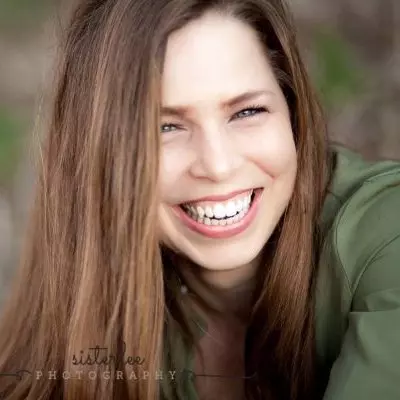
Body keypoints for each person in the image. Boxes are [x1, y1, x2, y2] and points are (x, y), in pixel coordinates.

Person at [0, 0, 399, 399]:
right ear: (101, 154)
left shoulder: (387, 232)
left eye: (246, 112)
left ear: (292, 114)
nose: (218, 165)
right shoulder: (92, 298)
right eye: (166, 127)